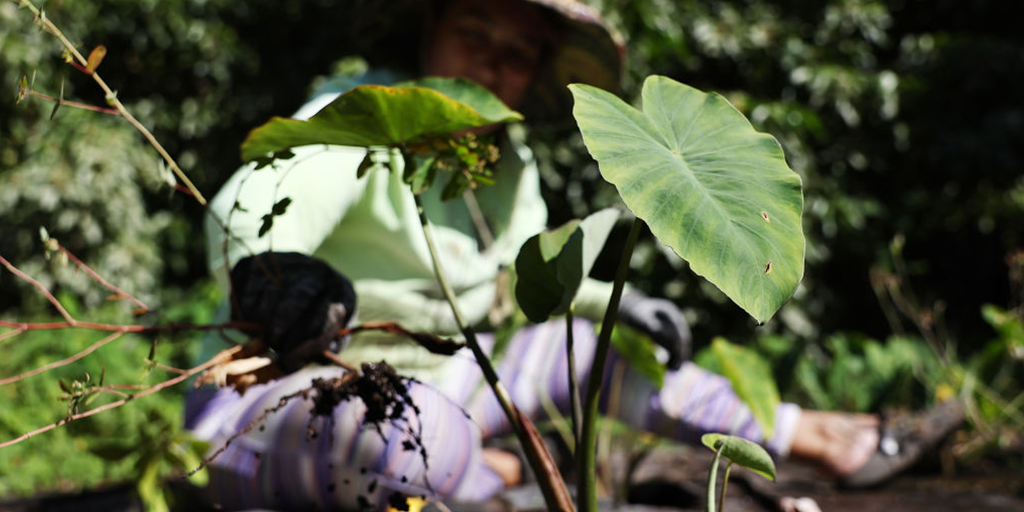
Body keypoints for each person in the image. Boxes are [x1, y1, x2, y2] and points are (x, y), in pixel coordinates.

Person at [188, 0, 964, 509]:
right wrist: (275, 277)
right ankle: (489, 475)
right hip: (293, 390)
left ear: (535, 76)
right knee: (393, 436)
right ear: (428, 29)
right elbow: (250, 205)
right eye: (474, 33)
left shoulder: (508, 165)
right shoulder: (365, 113)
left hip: (447, 376)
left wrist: (612, 302)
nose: (491, 63)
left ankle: (813, 436)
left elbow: (517, 287)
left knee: (590, 351)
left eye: (518, 51)